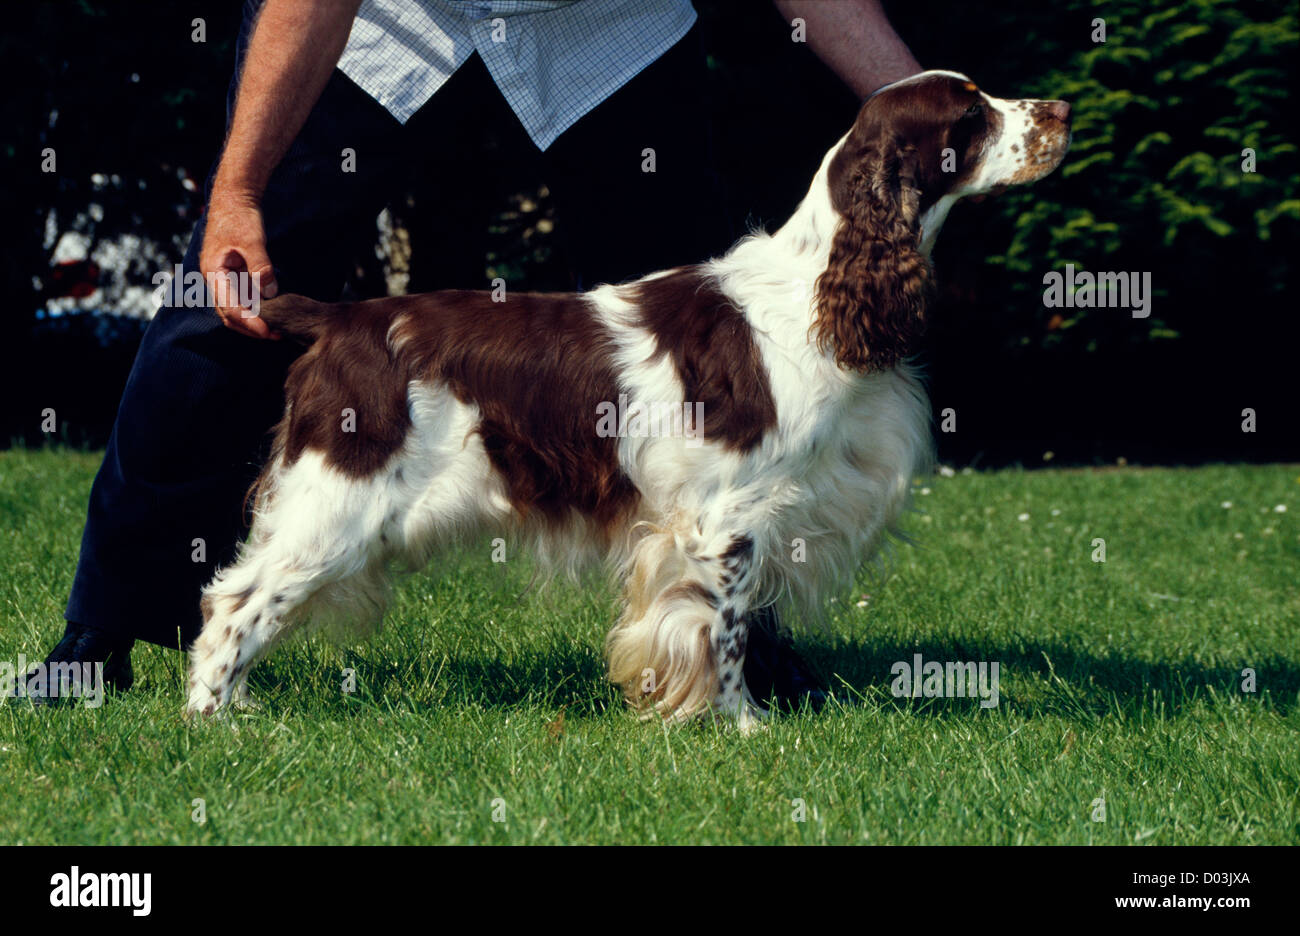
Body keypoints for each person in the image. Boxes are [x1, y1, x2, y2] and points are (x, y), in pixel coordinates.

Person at [31, 0, 921, 706]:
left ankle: (736, 649)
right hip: (389, 19)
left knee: (709, 342)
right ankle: (101, 632)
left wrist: (925, 112)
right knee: (228, 291)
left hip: (606, 24)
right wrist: (238, 190)